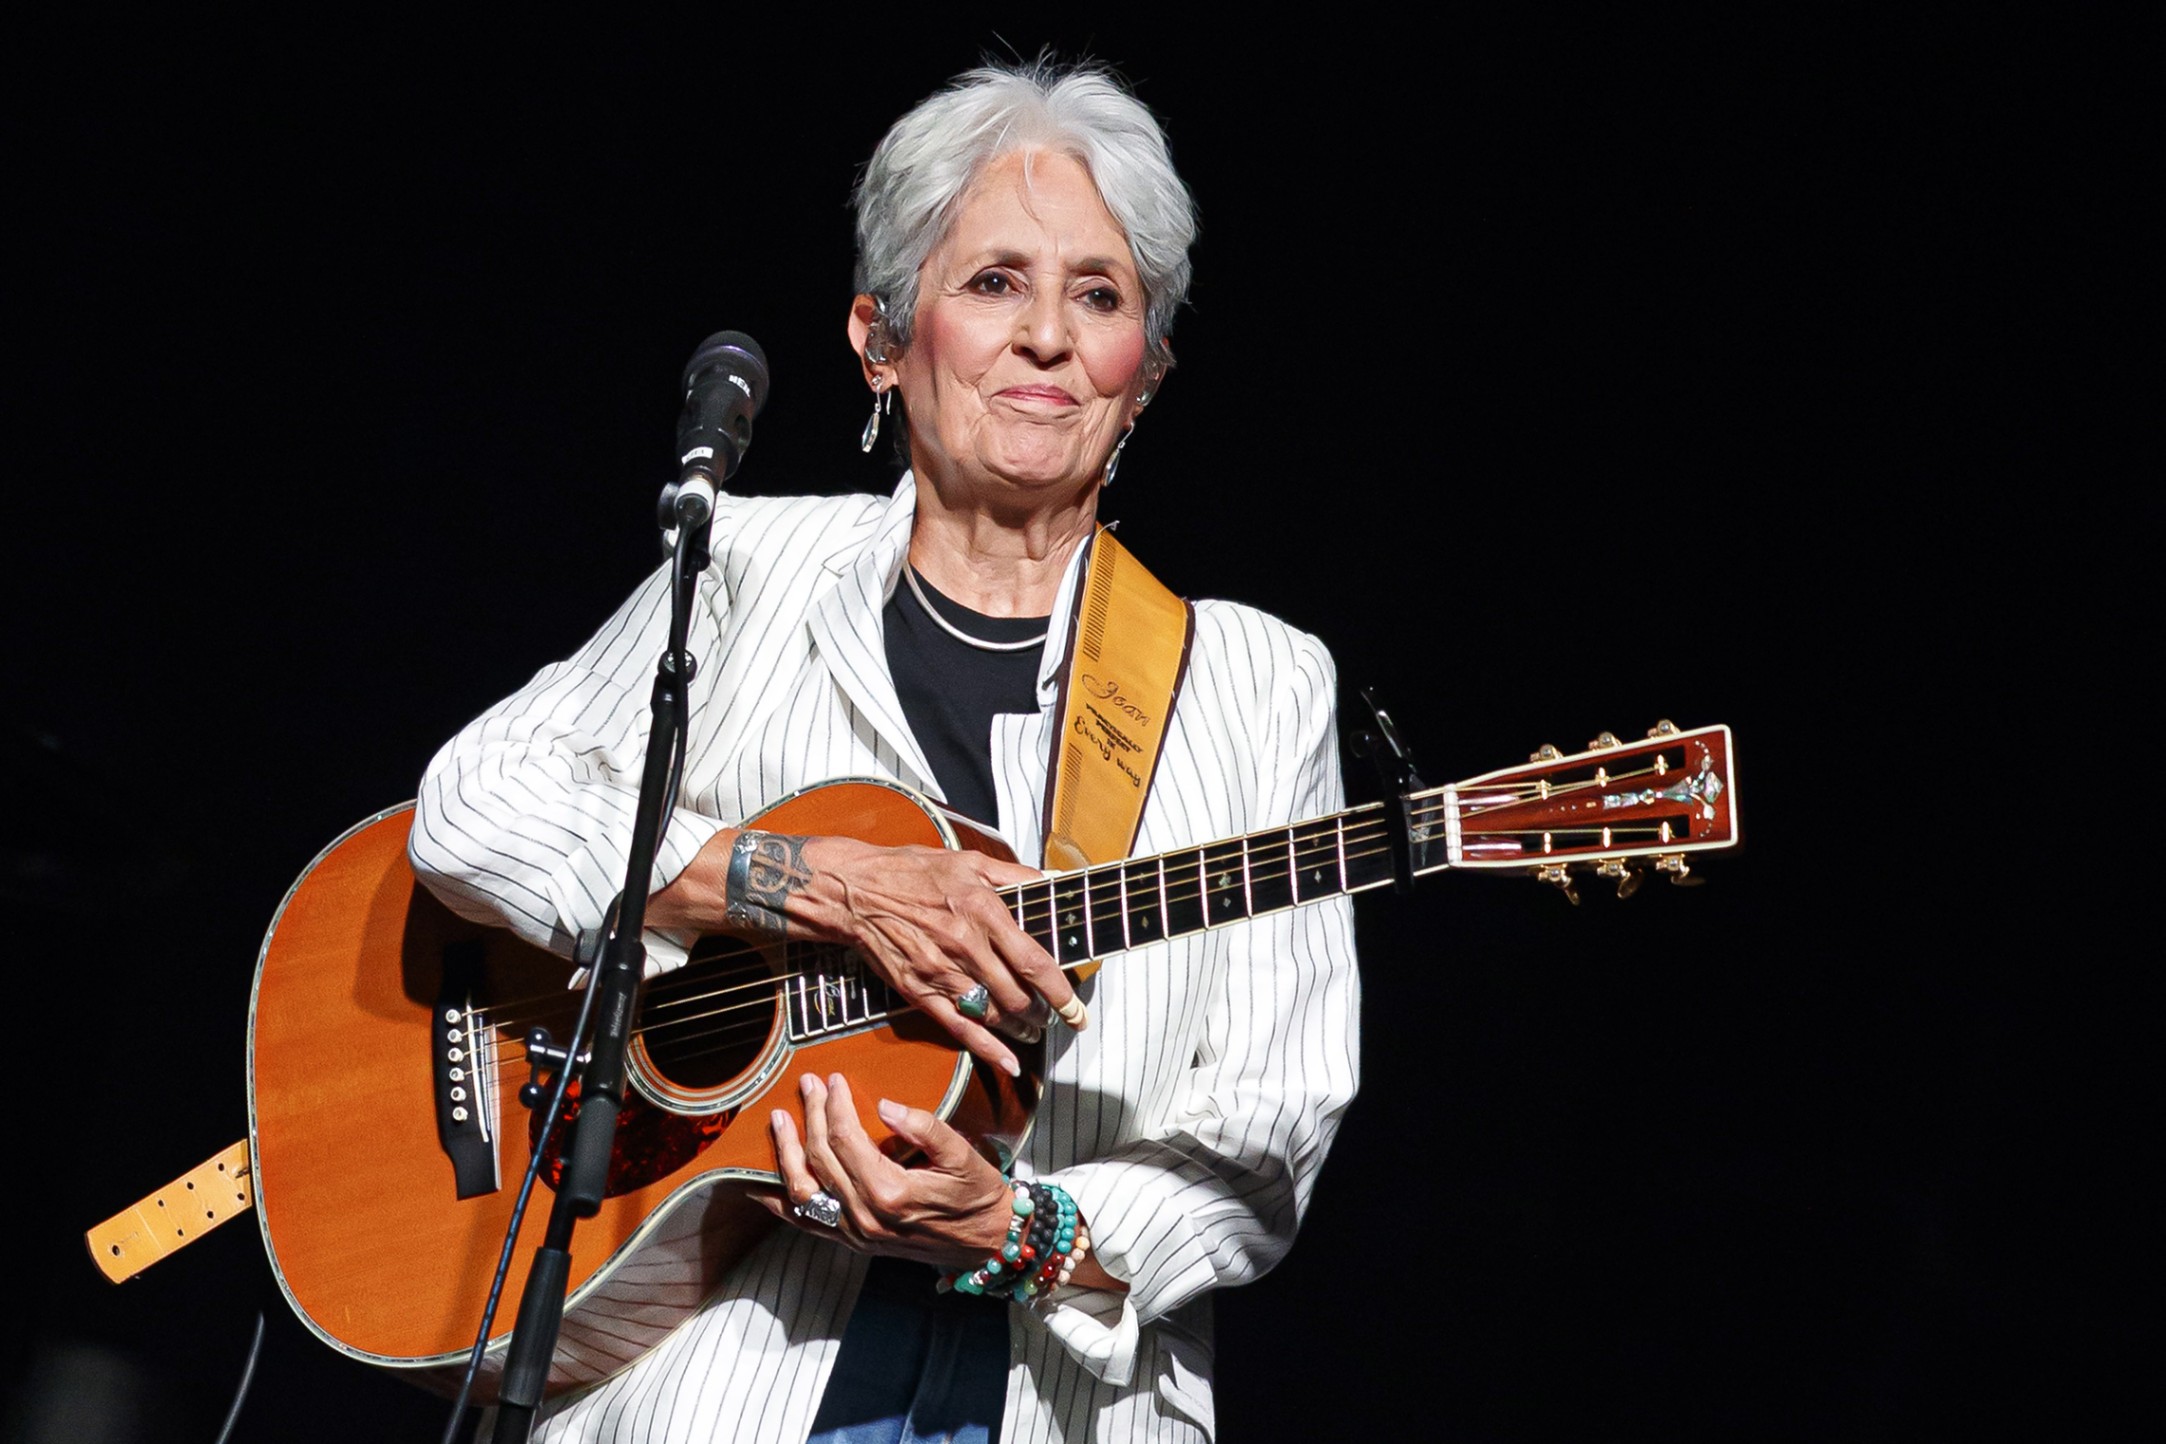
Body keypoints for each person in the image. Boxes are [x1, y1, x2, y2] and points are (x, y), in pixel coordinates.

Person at [410, 58, 1359, 1444]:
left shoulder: (1258, 684)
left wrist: (1023, 1228)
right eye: (994, 282)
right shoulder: (747, 569)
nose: (1047, 336)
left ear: (1145, 372)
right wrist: (811, 884)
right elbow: (471, 805)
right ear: (880, 337)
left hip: (1060, 1401)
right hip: (711, 1391)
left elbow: (1271, 1122)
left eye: (1100, 297)